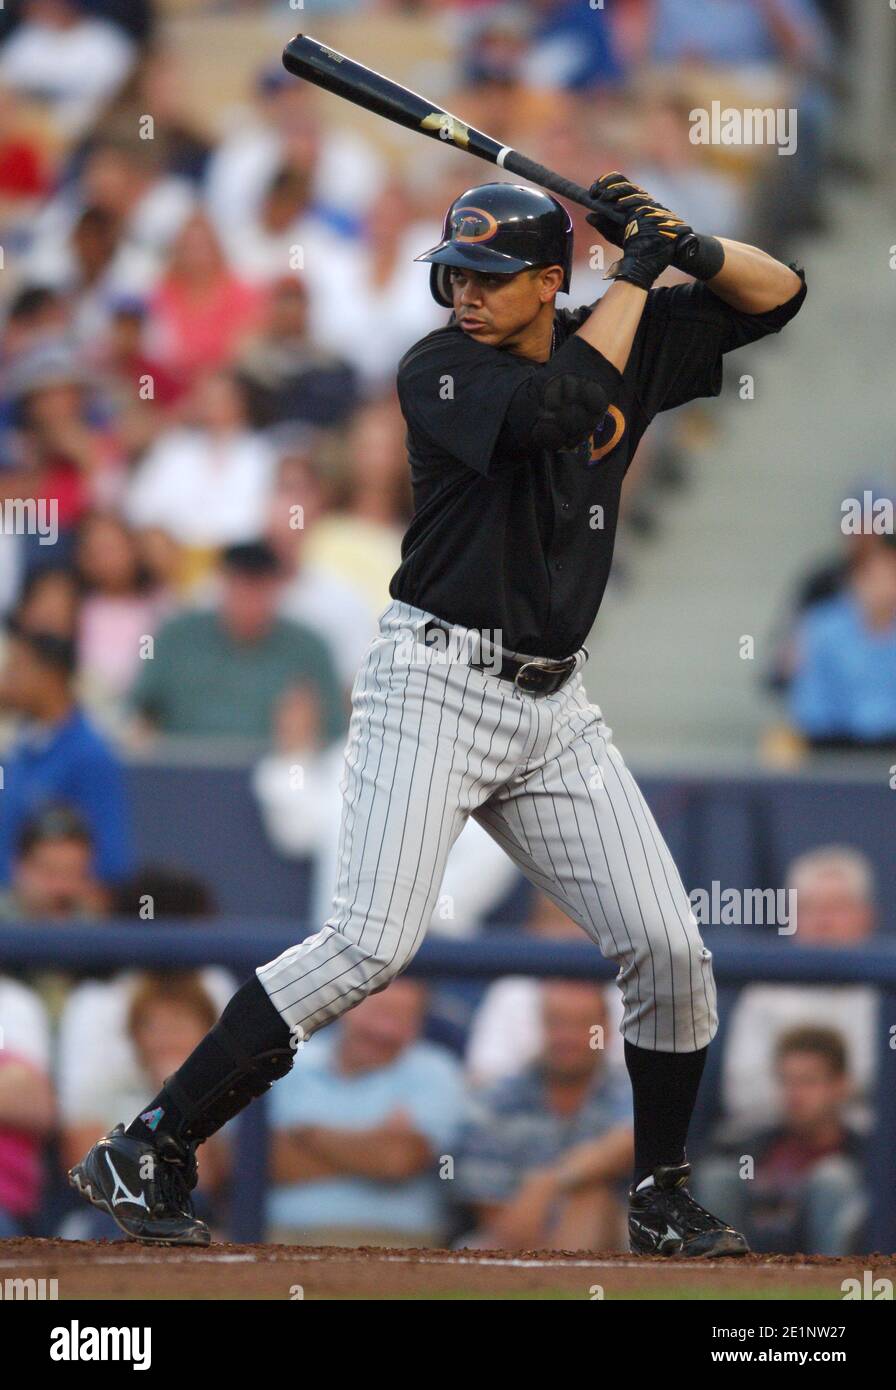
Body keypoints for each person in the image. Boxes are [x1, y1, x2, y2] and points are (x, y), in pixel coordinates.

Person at [68, 172, 806, 1257]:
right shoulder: (438, 367)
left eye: (491, 277)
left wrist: (683, 242)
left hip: (555, 700)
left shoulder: (620, 328)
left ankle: (656, 1191)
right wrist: (637, 269)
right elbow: (560, 409)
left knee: (668, 948)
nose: (463, 292)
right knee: (369, 940)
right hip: (436, 680)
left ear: (550, 282)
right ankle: (152, 1142)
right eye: (454, 273)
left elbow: (779, 295)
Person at [267, 980, 464, 1247]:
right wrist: (372, 1150)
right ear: (346, 1008)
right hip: (278, 1239)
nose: (386, 1029)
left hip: (398, 1247)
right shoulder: (287, 1062)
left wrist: (305, 1135)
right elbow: (262, 1160)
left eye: (404, 1018)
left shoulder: (436, 1070)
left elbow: (396, 1161)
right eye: (379, 1013)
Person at [455, 982, 632, 1251]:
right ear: (541, 1027)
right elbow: (492, 1212)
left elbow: (633, 1139)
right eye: (557, 1023)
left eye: (583, 1024)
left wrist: (551, 1182)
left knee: (590, 1198)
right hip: (507, 1242)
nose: (568, 1036)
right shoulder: (500, 1098)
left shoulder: (630, 1089)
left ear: (605, 1030)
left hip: (616, 1250)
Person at [721, 847, 879, 1129]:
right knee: (720, 1174)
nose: (823, 922)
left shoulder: (884, 995)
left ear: (866, 916)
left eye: (836, 907)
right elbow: (742, 1093)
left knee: (834, 1175)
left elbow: (879, 1084)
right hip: (768, 1146)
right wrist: (811, 1099)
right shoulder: (764, 993)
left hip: (867, 1151)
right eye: (809, 908)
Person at [128, 540, 345, 744]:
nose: (249, 604)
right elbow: (139, 712)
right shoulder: (176, 637)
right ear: (222, 585)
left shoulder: (309, 648)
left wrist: (306, 739)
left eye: (258, 591)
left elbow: (335, 732)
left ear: (276, 590)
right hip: (184, 774)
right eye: (240, 590)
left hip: (278, 776)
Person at [696, 1028, 867, 1255]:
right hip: (749, 1261)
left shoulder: (869, 1155)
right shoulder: (753, 1146)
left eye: (808, 1081)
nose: (794, 1094)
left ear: (841, 1085)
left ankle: (832, 1285)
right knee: (718, 1176)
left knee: (833, 1179)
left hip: (830, 1270)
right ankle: (717, 1284)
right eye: (787, 1081)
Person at [0, 623, 133, 886]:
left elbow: (110, 861)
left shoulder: (90, 756)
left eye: (16, 668)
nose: (5, 680)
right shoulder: (19, 749)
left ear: (50, 676)